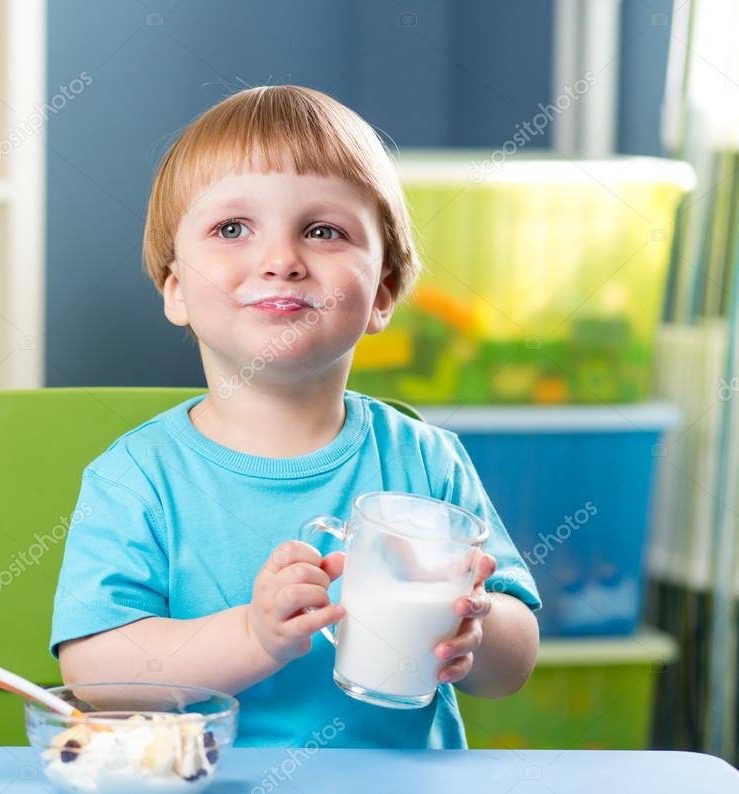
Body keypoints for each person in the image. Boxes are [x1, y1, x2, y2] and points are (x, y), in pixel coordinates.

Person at [50, 85, 540, 748]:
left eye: (323, 231)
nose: (281, 260)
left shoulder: (425, 459)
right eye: (231, 229)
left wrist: (472, 635)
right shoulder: (136, 478)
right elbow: (94, 671)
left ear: (382, 295)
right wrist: (251, 637)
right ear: (175, 290)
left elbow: (513, 660)